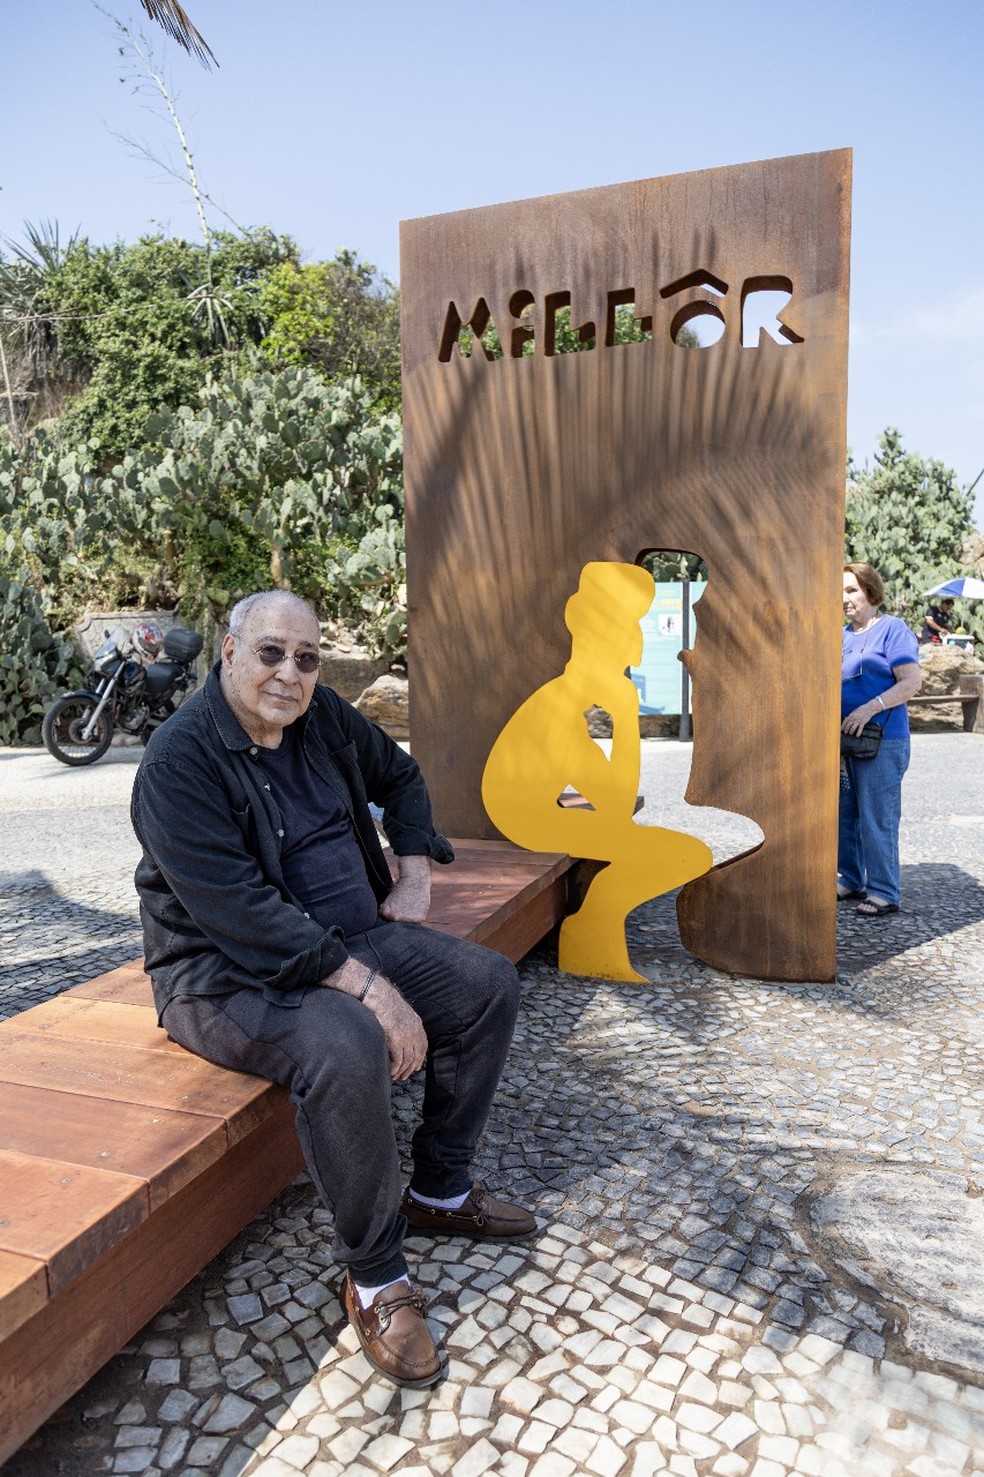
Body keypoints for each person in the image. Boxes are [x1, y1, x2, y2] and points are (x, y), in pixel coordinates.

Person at [130, 590, 535, 1390]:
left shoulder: (321, 719)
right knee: (346, 1041)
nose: (289, 673)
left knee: (486, 983)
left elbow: (402, 776)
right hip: (223, 971)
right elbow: (244, 917)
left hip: (353, 935)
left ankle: (439, 1188)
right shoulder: (178, 764)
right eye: (272, 652)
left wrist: (413, 870)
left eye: (307, 658)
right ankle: (378, 1276)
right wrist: (373, 994)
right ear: (229, 649)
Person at [839, 564, 922, 917]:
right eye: (841, 592)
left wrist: (868, 709)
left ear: (871, 592)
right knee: (845, 815)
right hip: (845, 741)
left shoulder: (893, 630)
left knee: (877, 817)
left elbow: (911, 682)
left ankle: (885, 891)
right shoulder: (841, 635)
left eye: (851, 591)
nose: (844, 599)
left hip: (883, 740)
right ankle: (851, 878)